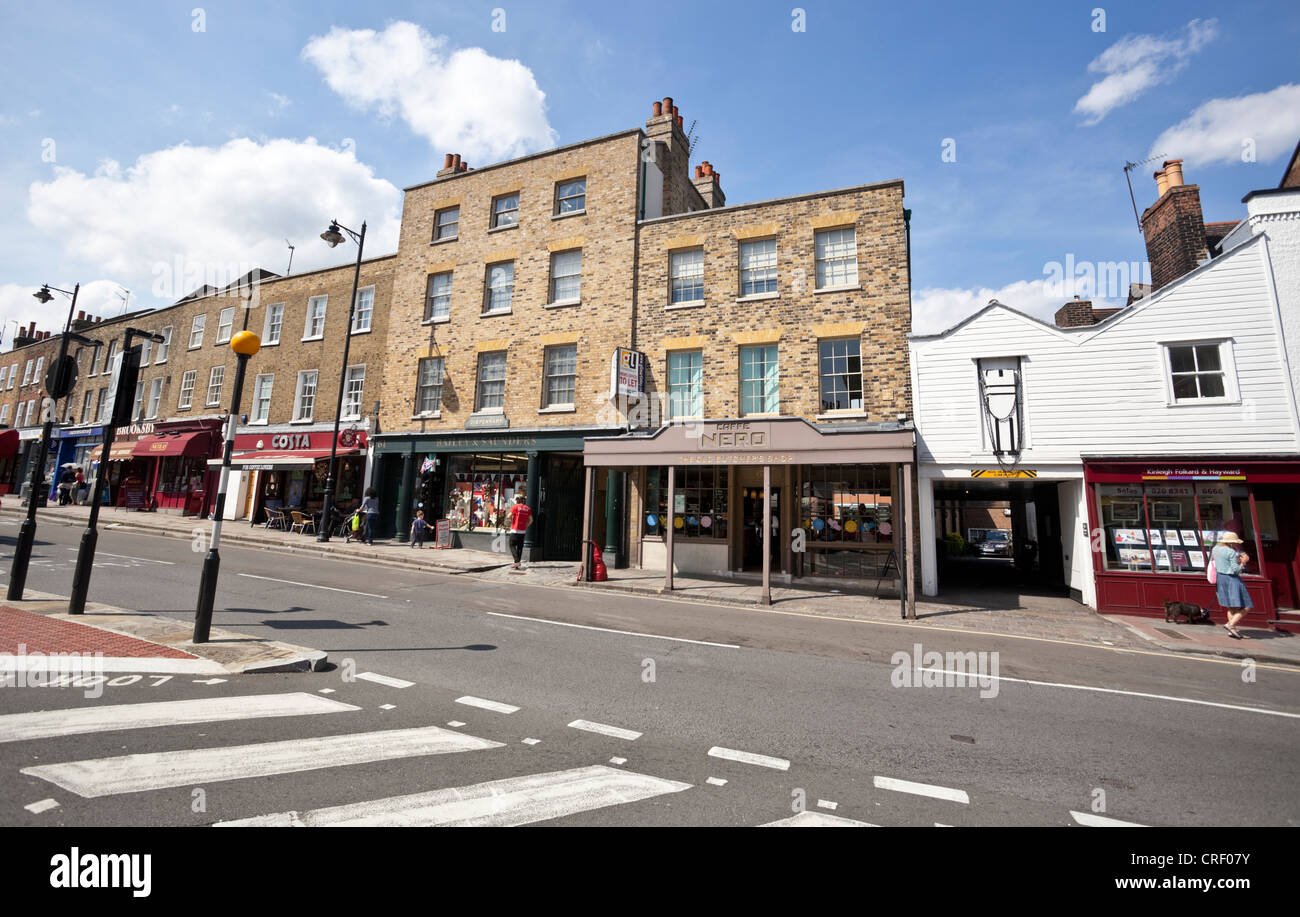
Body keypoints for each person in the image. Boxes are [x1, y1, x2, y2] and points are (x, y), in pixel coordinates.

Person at [1212, 532, 1252, 639]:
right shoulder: (1231, 552)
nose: (1235, 544)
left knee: (1231, 606)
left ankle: (1232, 631)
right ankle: (1230, 625)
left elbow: (1222, 562)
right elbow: (1236, 570)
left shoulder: (1215, 549)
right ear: (1230, 542)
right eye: (1234, 542)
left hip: (1221, 578)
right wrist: (1243, 562)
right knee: (1247, 605)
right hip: (1232, 579)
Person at [506, 494, 532, 569]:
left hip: (515, 530)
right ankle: (516, 563)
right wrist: (526, 526)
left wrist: (511, 519)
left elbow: (509, 516)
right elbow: (531, 520)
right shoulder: (527, 508)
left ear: (517, 501)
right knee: (520, 547)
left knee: (512, 545)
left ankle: (517, 561)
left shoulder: (515, 507)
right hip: (522, 531)